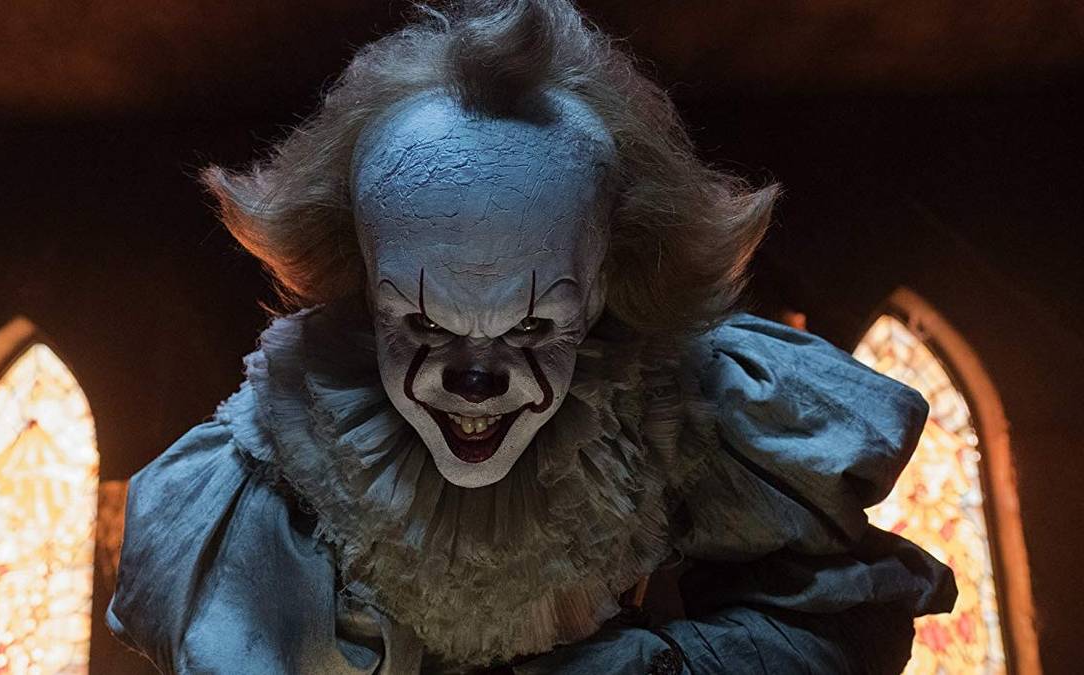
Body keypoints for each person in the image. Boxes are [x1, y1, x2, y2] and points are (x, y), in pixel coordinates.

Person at [108, 1, 955, 672]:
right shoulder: (268, 468)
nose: (476, 380)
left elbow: (854, 618)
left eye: (533, 326)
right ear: (364, 285)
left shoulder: (693, 411)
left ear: (603, 286)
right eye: (424, 322)